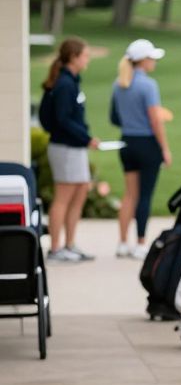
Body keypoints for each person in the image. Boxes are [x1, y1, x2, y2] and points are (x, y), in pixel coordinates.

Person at [38, 37, 99, 263]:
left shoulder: (71, 81)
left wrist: (83, 138)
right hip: (65, 148)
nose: (88, 60)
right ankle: (55, 249)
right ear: (73, 57)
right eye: (85, 55)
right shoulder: (64, 84)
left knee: (81, 189)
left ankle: (69, 244)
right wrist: (86, 137)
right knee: (63, 197)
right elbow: (62, 119)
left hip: (74, 146)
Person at [110, 39, 171, 259]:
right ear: (143, 60)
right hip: (147, 144)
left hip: (127, 143)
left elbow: (114, 117)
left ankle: (122, 242)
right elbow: (156, 121)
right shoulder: (148, 85)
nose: (153, 61)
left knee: (130, 195)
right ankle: (141, 243)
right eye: (152, 58)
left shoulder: (119, 84)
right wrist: (165, 148)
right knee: (144, 195)